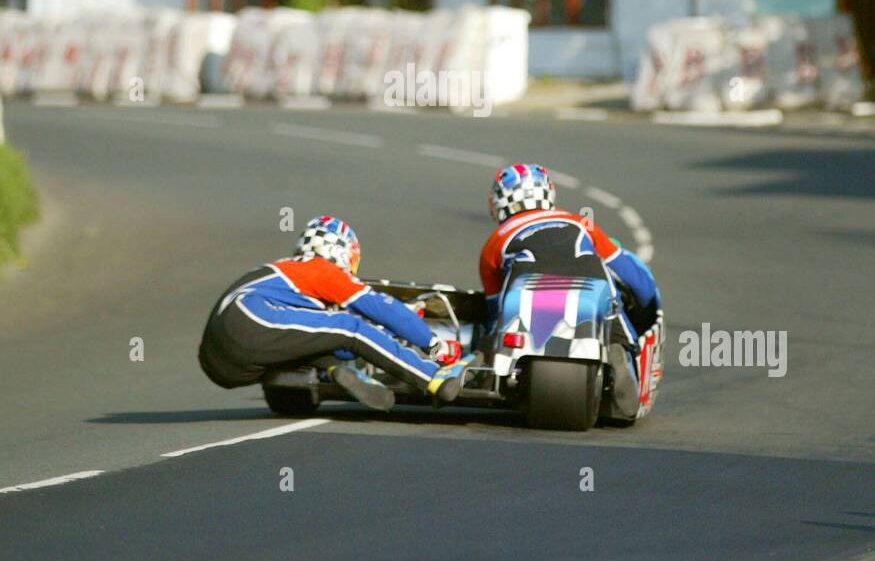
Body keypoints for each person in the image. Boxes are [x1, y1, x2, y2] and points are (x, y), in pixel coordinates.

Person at [198, 215, 465, 412]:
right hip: (248, 319)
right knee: (349, 326)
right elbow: (382, 308)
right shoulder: (320, 269)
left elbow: (339, 344)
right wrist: (431, 343)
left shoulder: (285, 272)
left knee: (329, 339)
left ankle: (330, 370)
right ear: (341, 252)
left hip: (217, 362)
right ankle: (432, 377)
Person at [479, 163, 661, 416]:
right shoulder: (579, 222)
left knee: (499, 329)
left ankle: (497, 371)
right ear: (549, 193)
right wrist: (647, 306)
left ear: (498, 202)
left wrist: (488, 341)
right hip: (589, 285)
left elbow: (494, 306)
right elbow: (630, 274)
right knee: (612, 311)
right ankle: (618, 348)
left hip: (528, 294)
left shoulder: (494, 243)